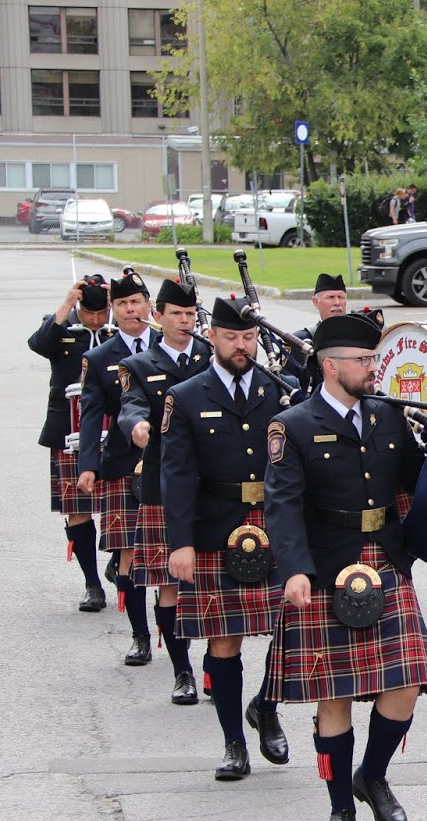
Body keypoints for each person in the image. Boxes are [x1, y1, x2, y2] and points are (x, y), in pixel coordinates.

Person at [264, 311, 427, 821]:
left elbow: (417, 476)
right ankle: (341, 807)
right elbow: (282, 505)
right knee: (334, 695)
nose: (372, 369)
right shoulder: (290, 425)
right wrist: (293, 568)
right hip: (324, 564)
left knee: (406, 682)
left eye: (372, 359)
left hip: (385, 559)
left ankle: (374, 773)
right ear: (329, 364)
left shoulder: (384, 416)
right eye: (363, 360)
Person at [161, 296, 290, 780]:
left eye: (249, 337)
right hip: (216, 528)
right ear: (211, 336)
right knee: (224, 639)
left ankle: (267, 705)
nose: (241, 346)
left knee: (294, 627)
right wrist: (180, 542)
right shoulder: (187, 395)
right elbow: (176, 473)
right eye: (232, 337)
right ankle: (234, 742)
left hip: (276, 525)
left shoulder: (280, 390)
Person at [118, 278, 212, 705]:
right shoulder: (139, 365)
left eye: (191, 314)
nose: (184, 321)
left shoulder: (211, 357)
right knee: (169, 583)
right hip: (163, 485)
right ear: (158, 316)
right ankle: (182, 671)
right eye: (176, 314)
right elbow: (132, 404)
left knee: (214, 584)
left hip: (212, 484)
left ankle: (215, 669)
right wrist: (135, 425)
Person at [76, 269, 159, 667]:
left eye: (137, 302)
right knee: (130, 556)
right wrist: (88, 465)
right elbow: (91, 416)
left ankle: (174, 633)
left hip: (169, 465)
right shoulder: (98, 357)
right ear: (114, 309)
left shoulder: (169, 344)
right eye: (123, 304)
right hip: (123, 465)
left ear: (149, 306)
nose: (131, 310)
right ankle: (140, 636)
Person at [28, 275, 110, 612]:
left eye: (101, 311)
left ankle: (122, 564)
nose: (95, 319)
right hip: (69, 430)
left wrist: (118, 302)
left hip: (114, 431)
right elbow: (38, 343)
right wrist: (65, 304)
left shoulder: (118, 331)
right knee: (77, 509)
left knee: (125, 508)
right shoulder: (61, 329)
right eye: (88, 312)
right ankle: (92, 583)